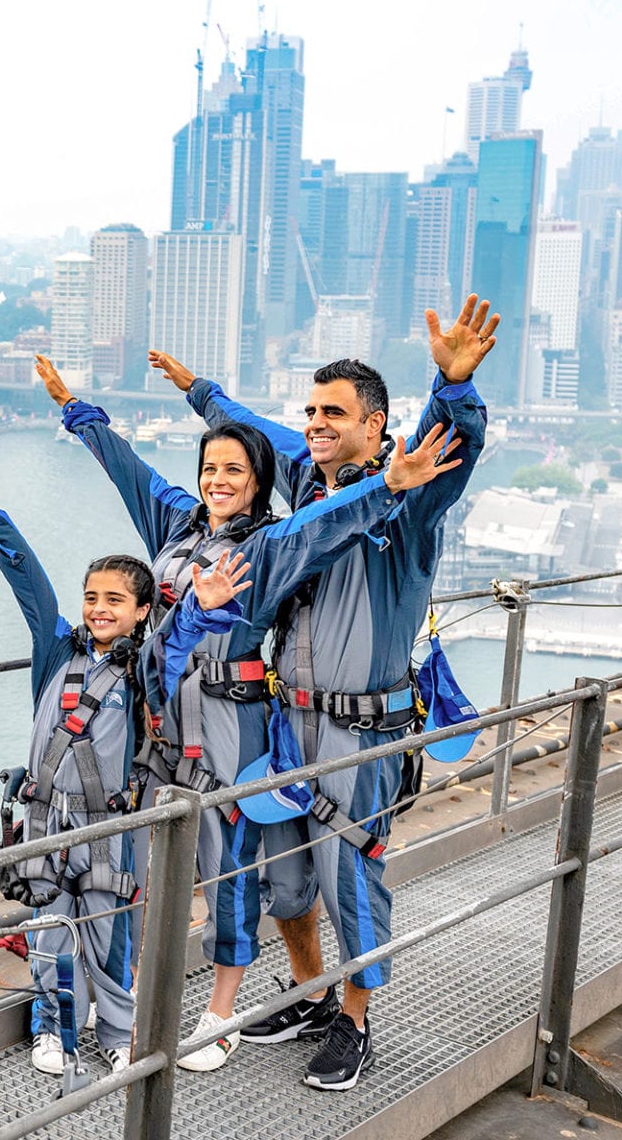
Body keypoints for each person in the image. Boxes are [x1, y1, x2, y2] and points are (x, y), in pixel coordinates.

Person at [35, 354, 464, 1077]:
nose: (219, 480)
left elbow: (320, 525)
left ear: (261, 483)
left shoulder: (267, 545)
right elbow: (132, 470)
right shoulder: (178, 523)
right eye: (211, 468)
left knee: (246, 869)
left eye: (236, 470)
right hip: (172, 724)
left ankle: (255, 1011)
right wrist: (81, 412)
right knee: (244, 877)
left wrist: (395, 474)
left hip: (247, 724)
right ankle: (273, 994)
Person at [146, 294, 498, 1090]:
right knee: (289, 877)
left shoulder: (409, 497)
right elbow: (251, 426)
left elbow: (457, 448)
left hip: (360, 729)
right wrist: (198, 390)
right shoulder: (305, 485)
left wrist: (453, 391)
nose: (315, 422)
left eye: (334, 412)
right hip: (285, 723)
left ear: (376, 426)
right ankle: (311, 993)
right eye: (310, 409)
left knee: (351, 876)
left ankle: (356, 1019)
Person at [0, 456, 249, 1077]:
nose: (99, 608)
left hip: (110, 825)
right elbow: (30, 589)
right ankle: (52, 1029)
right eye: (92, 597)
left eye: (115, 599)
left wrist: (201, 606)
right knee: (50, 930)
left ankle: (116, 1031)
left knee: (112, 935)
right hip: (46, 821)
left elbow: (177, 638)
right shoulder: (57, 650)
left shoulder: (144, 670)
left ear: (143, 611)